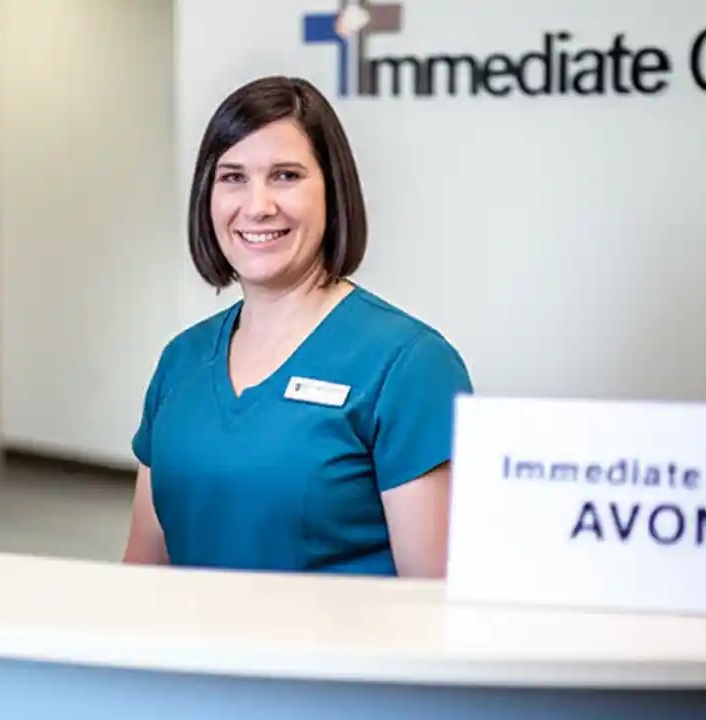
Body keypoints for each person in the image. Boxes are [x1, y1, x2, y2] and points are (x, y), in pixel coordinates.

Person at [123, 76, 473, 578]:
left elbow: (434, 602)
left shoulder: (410, 365)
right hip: (194, 633)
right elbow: (140, 574)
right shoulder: (181, 360)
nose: (258, 206)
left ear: (333, 192)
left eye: (285, 176)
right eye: (233, 177)